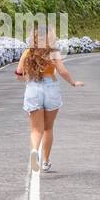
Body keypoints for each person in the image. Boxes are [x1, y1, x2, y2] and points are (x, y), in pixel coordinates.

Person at [15, 26, 84, 173]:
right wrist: (73, 82)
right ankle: (45, 161)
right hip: (51, 88)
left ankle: (35, 152)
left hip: (33, 88)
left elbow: (19, 74)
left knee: (35, 129)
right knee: (48, 128)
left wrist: (29, 78)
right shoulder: (53, 52)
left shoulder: (28, 52)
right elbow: (62, 71)